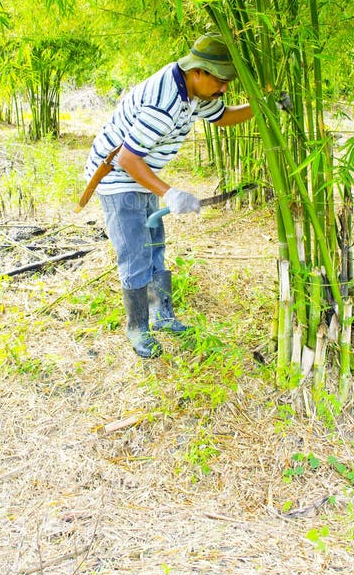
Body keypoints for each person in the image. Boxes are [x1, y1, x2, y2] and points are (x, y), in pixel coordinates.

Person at [82, 33, 255, 358]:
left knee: (154, 245)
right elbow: (127, 158)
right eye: (220, 80)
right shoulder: (165, 102)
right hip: (119, 177)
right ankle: (138, 329)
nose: (224, 89)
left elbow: (224, 118)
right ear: (198, 72)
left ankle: (163, 316)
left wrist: (262, 104)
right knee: (135, 253)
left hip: (140, 171)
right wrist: (170, 193)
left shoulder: (197, 92)